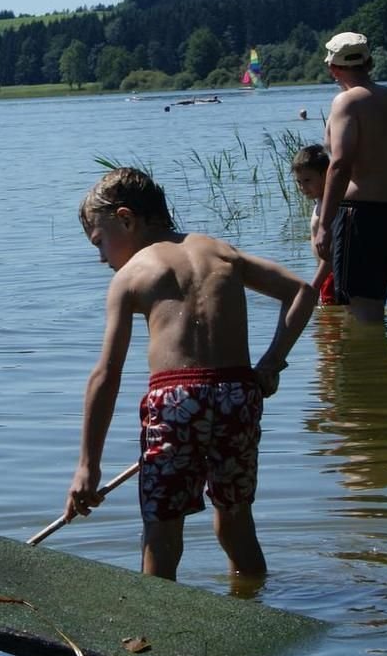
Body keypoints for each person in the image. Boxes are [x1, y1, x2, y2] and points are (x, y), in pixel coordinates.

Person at [63, 167, 317, 581]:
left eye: (99, 242)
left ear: (125, 219)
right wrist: (271, 363)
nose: (101, 258)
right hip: (237, 395)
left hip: (176, 401)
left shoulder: (132, 275)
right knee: (236, 521)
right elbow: (301, 291)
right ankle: (252, 602)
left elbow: (106, 374)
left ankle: (155, 616)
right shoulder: (221, 252)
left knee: (161, 532)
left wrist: (87, 466)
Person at [317, 32, 387, 323]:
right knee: (373, 307)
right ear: (369, 63)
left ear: (332, 67)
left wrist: (324, 223)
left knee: (358, 311)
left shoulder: (346, 102)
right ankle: (377, 354)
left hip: (359, 216)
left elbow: (340, 163)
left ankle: (362, 355)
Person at [288, 143, 338, 305]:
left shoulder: (328, 208)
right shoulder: (320, 203)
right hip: (325, 274)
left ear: (325, 174)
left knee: (329, 318)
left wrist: (315, 285)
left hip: (331, 275)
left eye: (308, 180)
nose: (303, 187)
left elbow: (331, 250)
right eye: (299, 182)